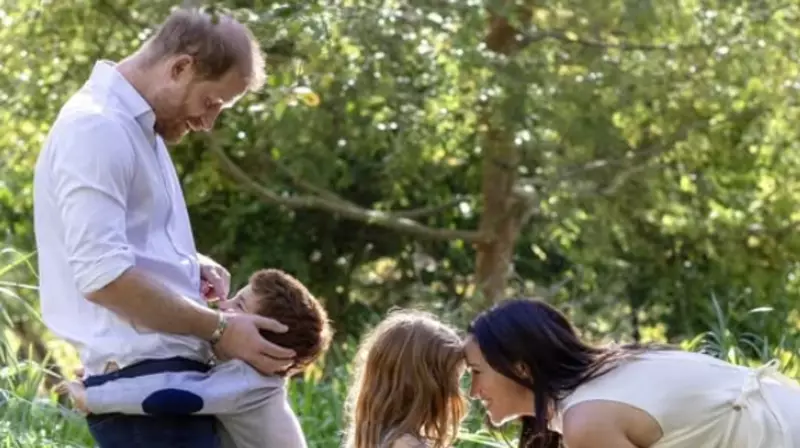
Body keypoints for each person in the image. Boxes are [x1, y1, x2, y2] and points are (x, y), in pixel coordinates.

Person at [32, 7, 295, 447]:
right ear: (180, 67)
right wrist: (220, 329)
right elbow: (104, 279)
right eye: (210, 103)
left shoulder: (140, 131)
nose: (208, 123)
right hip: (146, 397)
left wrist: (188, 266)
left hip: (169, 389)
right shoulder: (98, 128)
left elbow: (120, 250)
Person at [464, 297, 800, 448]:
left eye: (477, 372)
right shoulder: (616, 368)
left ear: (520, 367)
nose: (473, 390)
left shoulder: (586, 420)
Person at [58, 269, 333, 448]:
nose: (221, 307)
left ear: (269, 344)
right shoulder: (247, 376)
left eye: (238, 306)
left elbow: (175, 395)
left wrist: (94, 397)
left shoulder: (250, 385)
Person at [343, 309, 468, 448]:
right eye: (454, 379)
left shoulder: (365, 439)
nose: (455, 392)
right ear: (430, 386)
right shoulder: (409, 445)